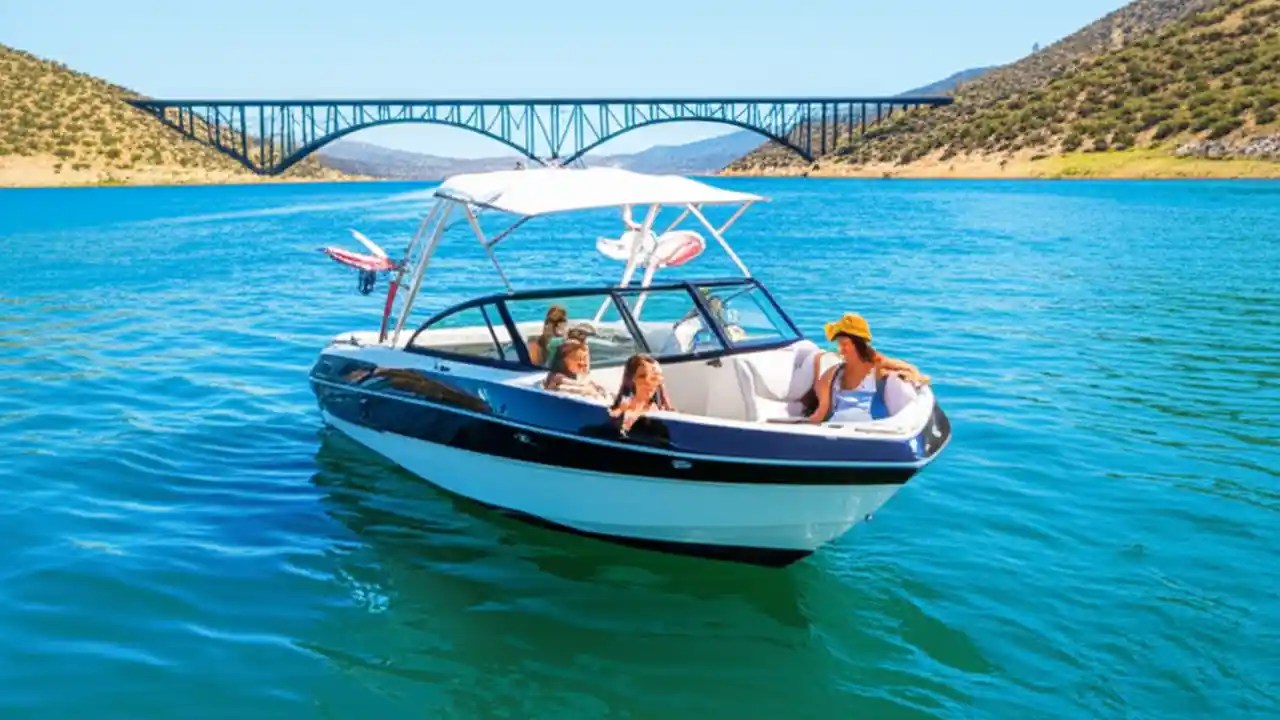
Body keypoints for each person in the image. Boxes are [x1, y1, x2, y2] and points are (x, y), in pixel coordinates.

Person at [806, 313, 921, 424]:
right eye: (839, 344)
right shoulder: (833, 374)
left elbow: (909, 368)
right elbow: (821, 413)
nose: (840, 350)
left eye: (845, 344)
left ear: (858, 344)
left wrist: (915, 378)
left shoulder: (877, 366)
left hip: (869, 430)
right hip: (836, 431)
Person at [609, 353, 676, 435]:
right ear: (631, 379)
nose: (648, 382)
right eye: (642, 376)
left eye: (654, 377)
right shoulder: (614, 417)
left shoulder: (665, 420)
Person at [542, 340, 608, 400]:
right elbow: (576, 386)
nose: (583, 363)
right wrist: (591, 391)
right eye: (578, 359)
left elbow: (581, 381)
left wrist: (594, 386)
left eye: (583, 359)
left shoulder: (572, 374)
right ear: (565, 360)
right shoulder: (557, 377)